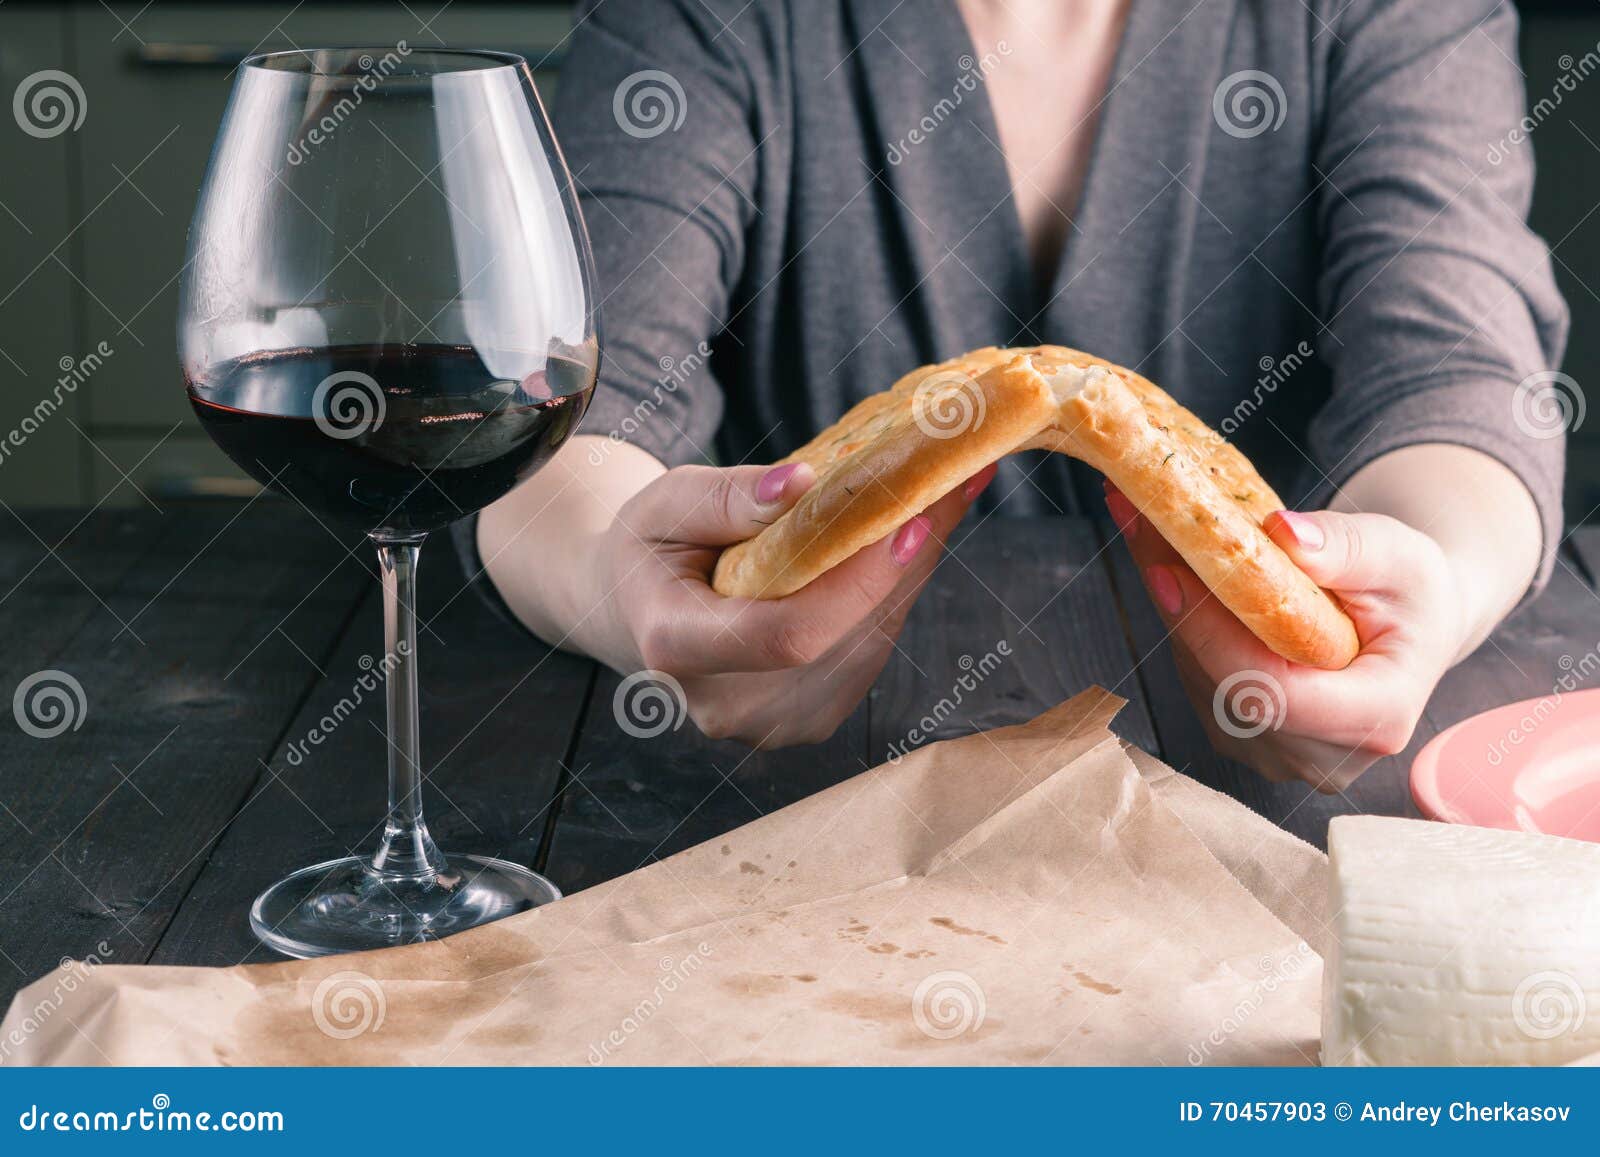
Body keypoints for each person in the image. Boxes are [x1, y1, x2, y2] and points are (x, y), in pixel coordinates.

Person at [458, 0, 1568, 793]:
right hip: (759, 805)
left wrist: (1425, 582)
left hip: (1263, 811)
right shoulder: (714, 20)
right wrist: (629, 582)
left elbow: (1459, 378)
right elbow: (569, 404)